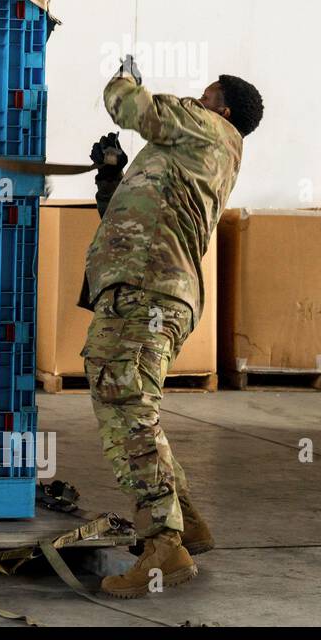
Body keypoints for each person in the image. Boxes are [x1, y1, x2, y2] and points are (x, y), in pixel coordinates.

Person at [81, 65, 263, 599]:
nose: (194, 98)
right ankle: (187, 521)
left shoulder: (206, 128)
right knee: (133, 401)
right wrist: (112, 175)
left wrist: (123, 74)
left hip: (147, 289)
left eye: (205, 96)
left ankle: (164, 541)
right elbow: (125, 215)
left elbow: (128, 104)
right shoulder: (190, 150)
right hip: (150, 289)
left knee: (125, 404)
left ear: (222, 110)